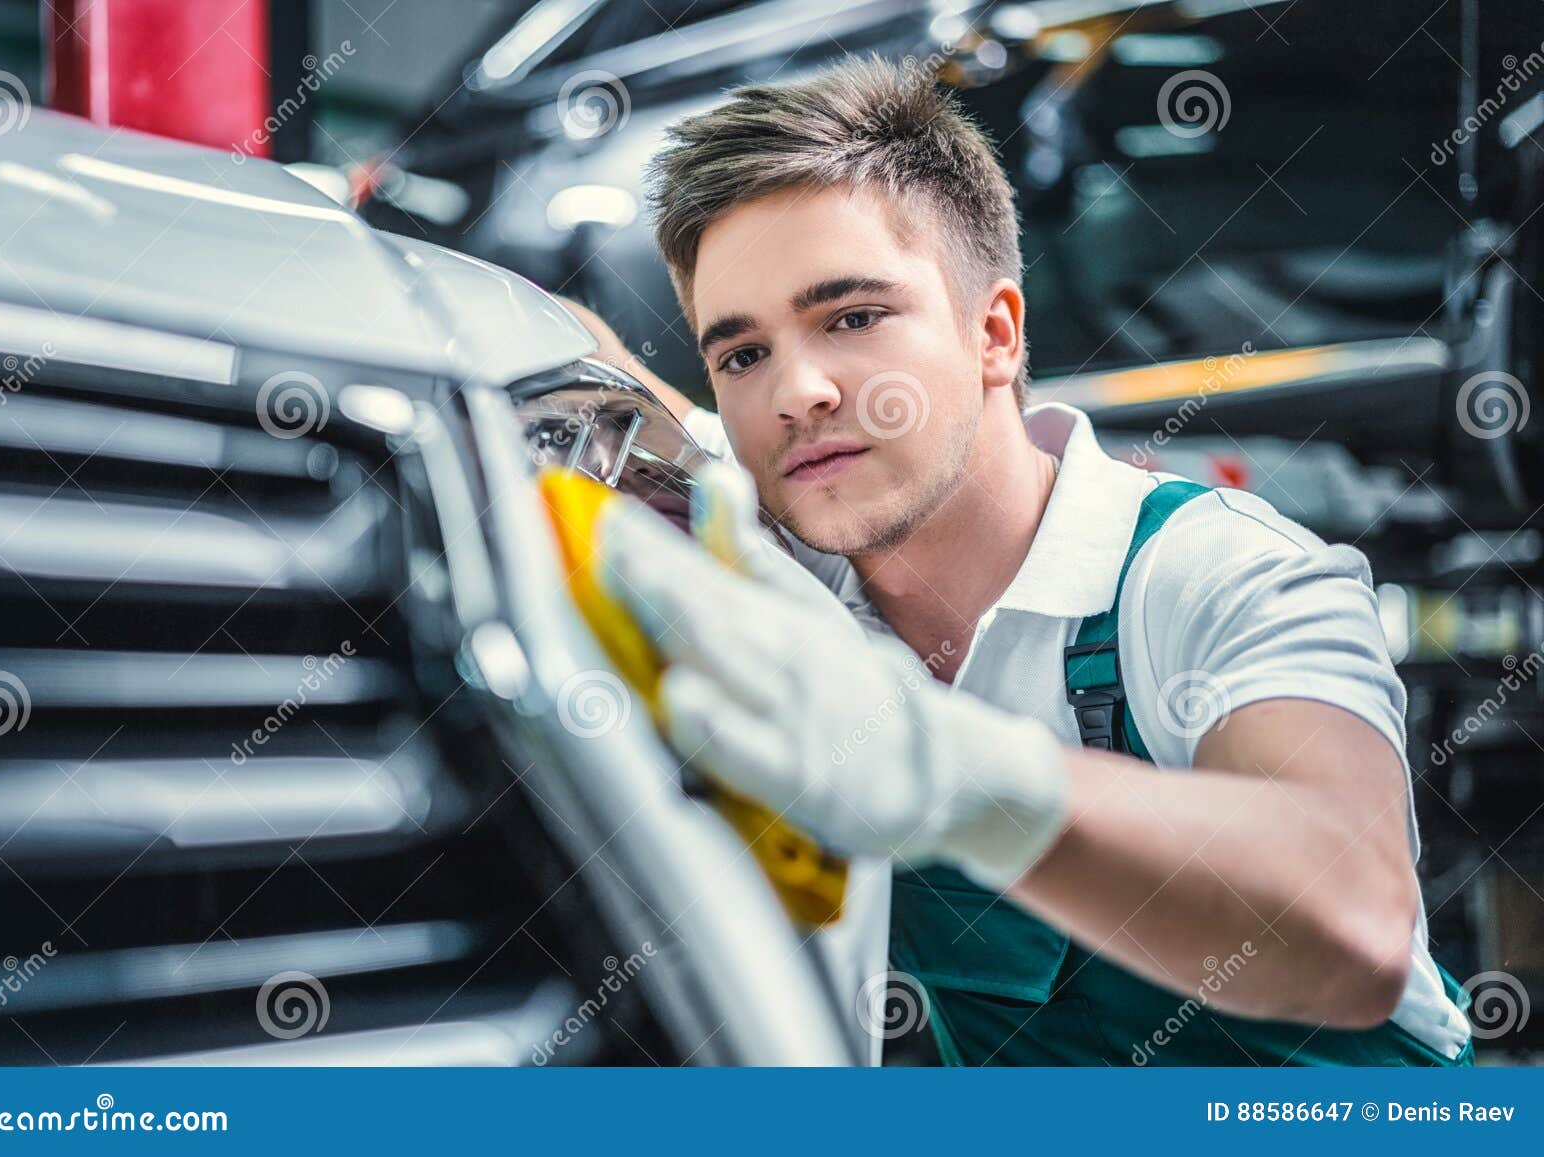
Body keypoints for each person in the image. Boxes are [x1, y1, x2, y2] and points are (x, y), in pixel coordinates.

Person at [563, 58, 1472, 1066]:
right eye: (740, 354)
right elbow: (611, 385)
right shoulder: (800, 580)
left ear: (994, 332)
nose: (797, 391)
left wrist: (952, 775)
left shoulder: (1213, 573)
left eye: (853, 317)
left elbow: (1352, 924)